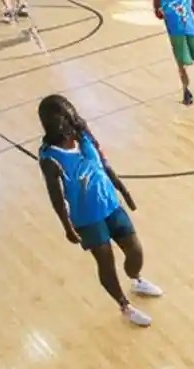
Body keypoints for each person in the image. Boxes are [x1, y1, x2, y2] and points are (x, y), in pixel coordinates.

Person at [37, 95, 161, 327]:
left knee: (135, 250)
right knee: (106, 262)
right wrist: (67, 227)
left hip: (111, 204)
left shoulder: (83, 133)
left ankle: (136, 279)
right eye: (63, 118)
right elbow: (56, 197)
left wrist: (123, 189)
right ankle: (125, 305)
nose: (69, 120)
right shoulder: (50, 158)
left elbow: (103, 163)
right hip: (87, 219)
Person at [154, 0, 194, 106]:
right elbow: (158, 10)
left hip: (189, 27)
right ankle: (186, 90)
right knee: (181, 62)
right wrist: (159, 11)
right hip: (176, 31)